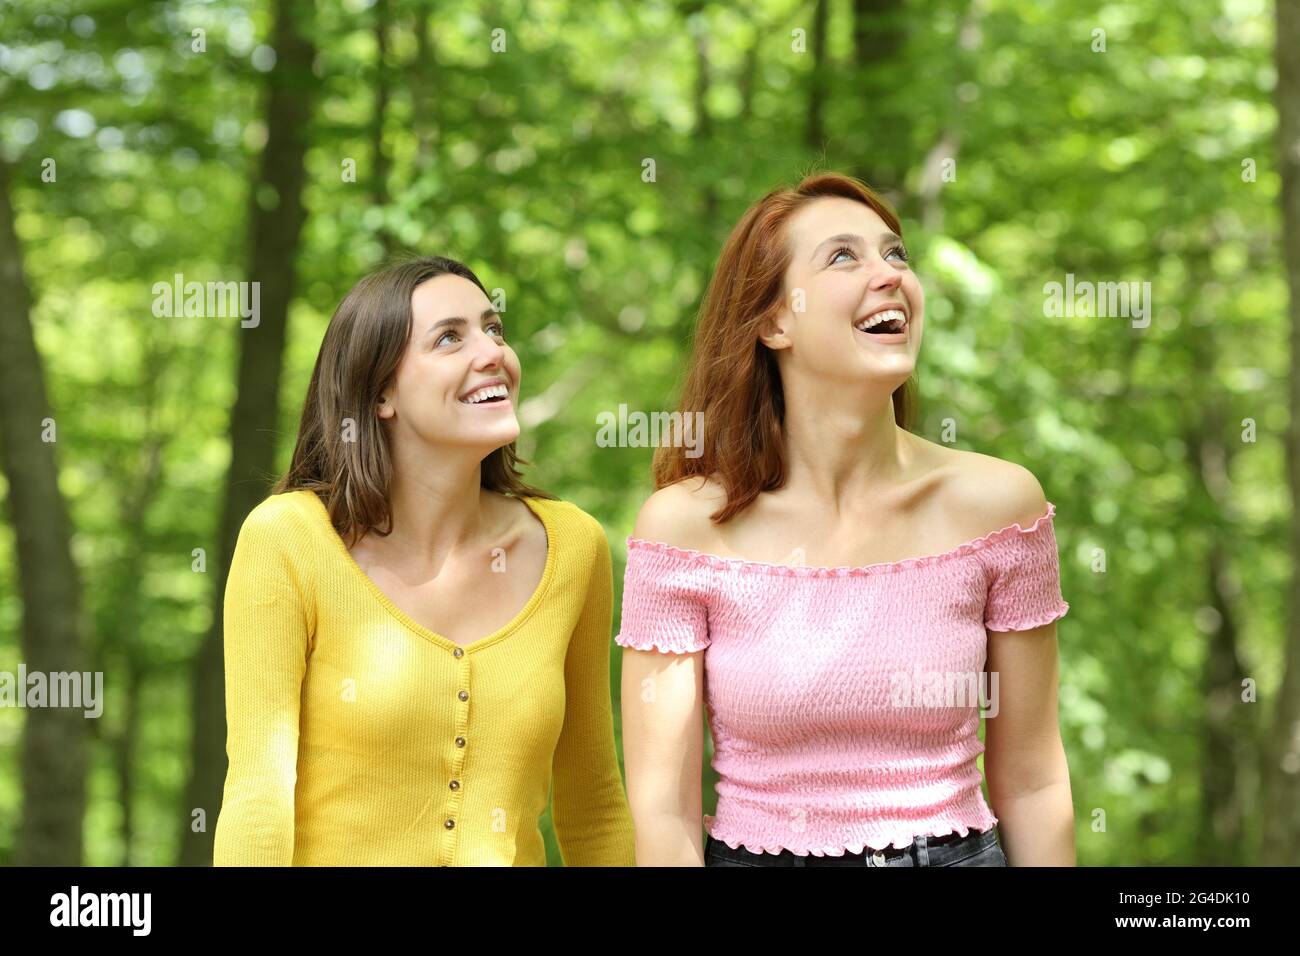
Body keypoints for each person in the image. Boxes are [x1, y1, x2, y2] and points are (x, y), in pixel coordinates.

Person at [617, 172, 1074, 867]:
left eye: (896, 255)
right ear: (774, 321)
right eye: (843, 257)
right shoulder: (684, 532)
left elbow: (1035, 783)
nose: (889, 275)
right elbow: (663, 815)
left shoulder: (998, 508)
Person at [213, 255, 634, 866]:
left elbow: (593, 803)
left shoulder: (572, 547)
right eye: (449, 338)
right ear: (381, 392)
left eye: (494, 328)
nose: (491, 352)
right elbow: (258, 797)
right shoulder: (288, 540)